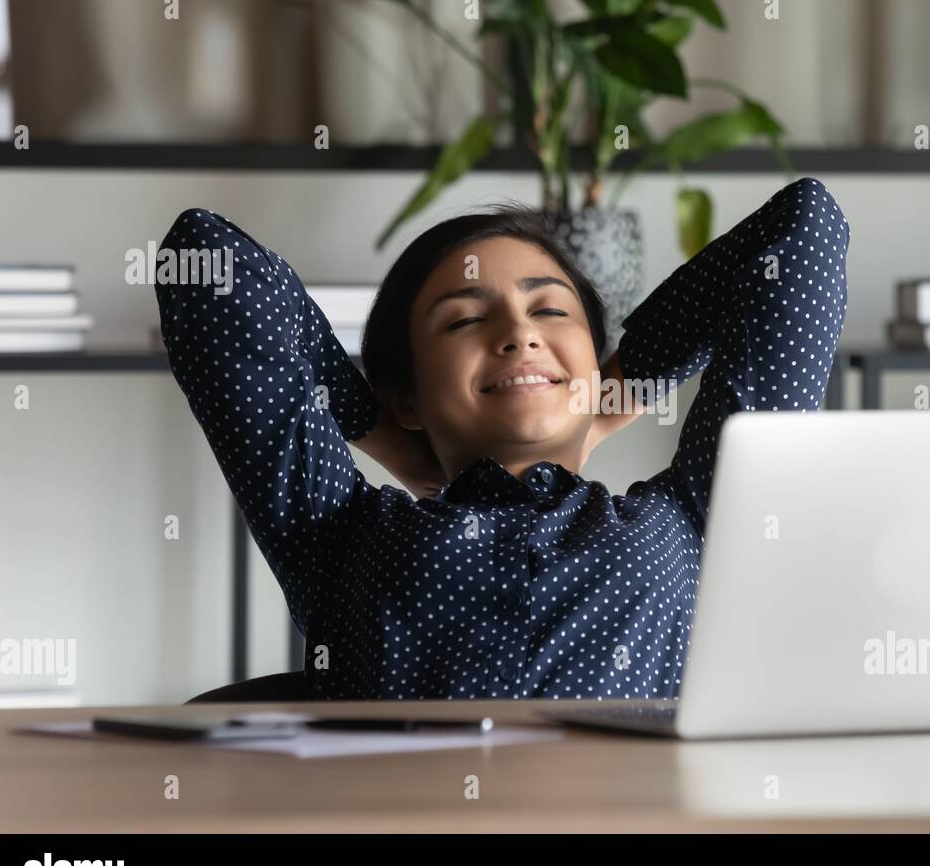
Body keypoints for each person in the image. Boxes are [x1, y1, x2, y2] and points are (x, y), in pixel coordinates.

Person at [154, 177, 849, 699]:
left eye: (549, 308)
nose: (518, 333)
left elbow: (803, 230)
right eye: (463, 319)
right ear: (407, 393)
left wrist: (610, 397)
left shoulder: (697, 521)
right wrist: (393, 440)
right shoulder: (337, 534)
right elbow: (208, 263)